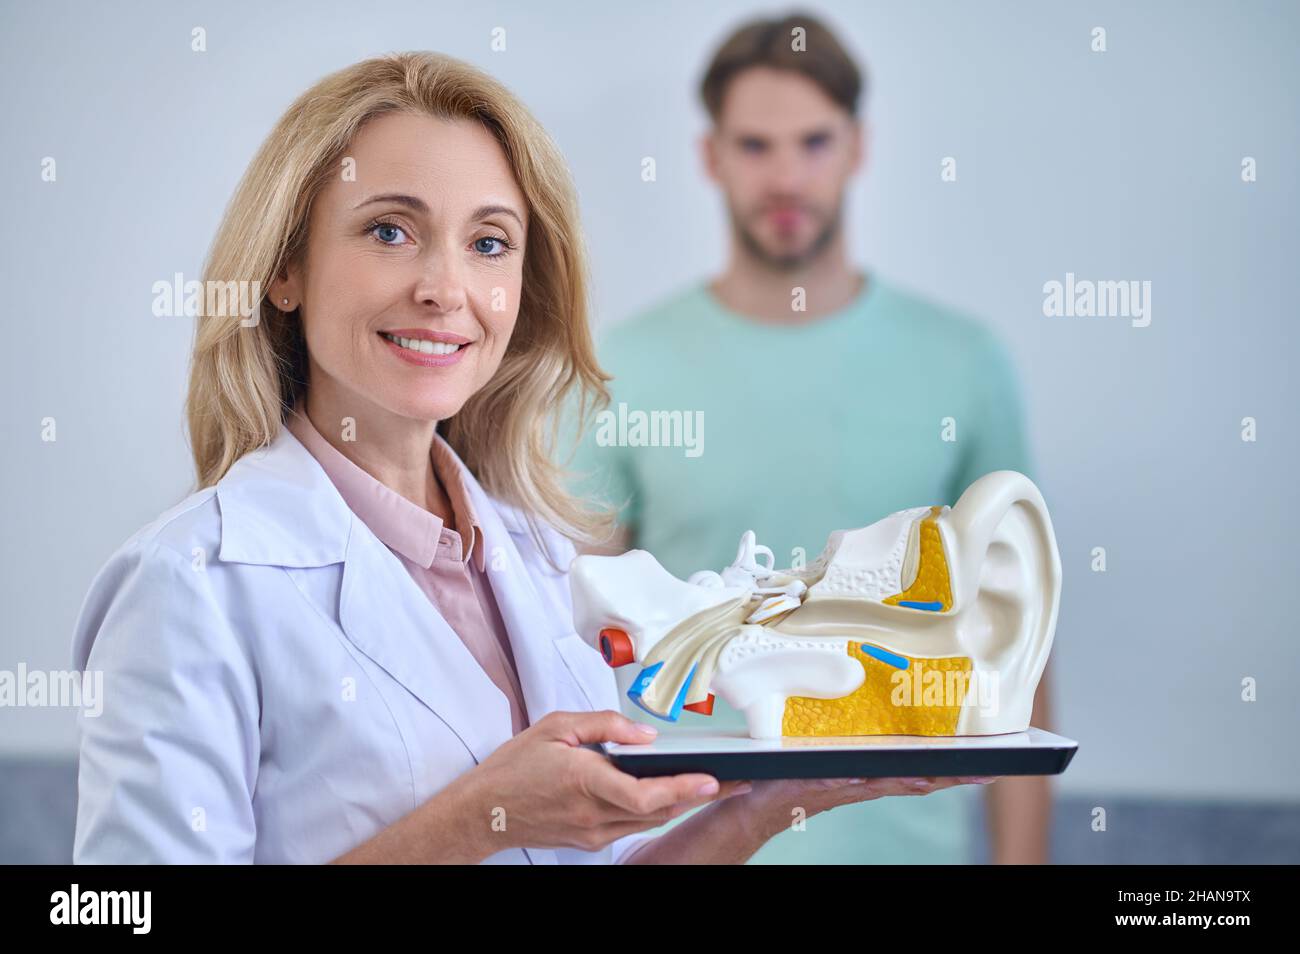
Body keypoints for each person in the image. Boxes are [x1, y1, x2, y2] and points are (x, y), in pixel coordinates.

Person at [70, 50, 991, 865]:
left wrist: (769, 806)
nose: (445, 289)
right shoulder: (190, 584)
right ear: (285, 269)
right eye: (389, 230)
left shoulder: (541, 559)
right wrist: (477, 822)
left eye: (488, 243)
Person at [570, 14, 1053, 864]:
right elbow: (569, 637)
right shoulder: (620, 369)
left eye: (813, 143)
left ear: (859, 148)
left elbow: (1021, 650)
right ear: (710, 156)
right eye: (755, 146)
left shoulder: (966, 365)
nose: (786, 176)